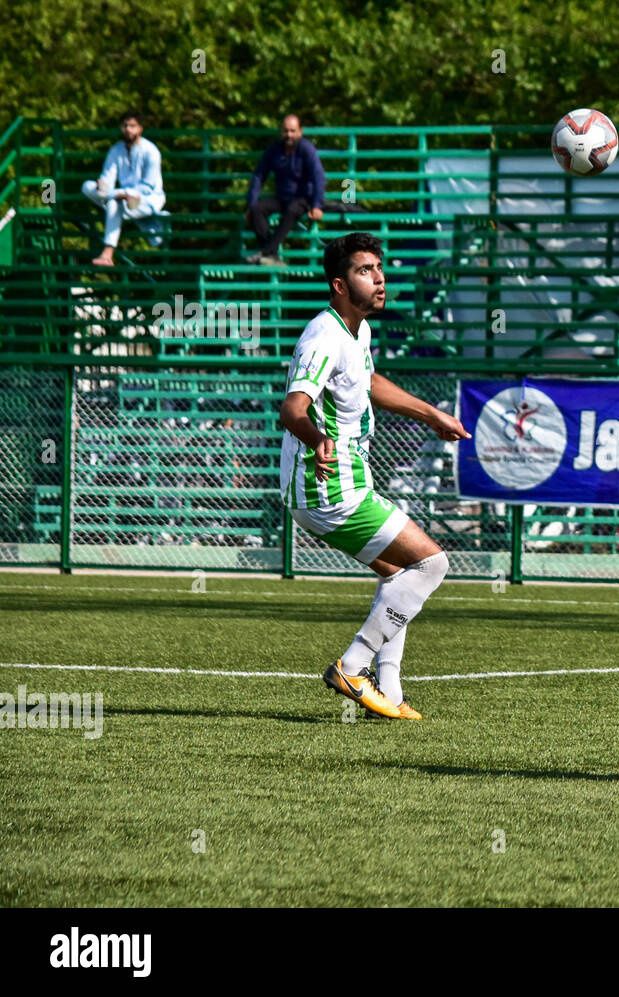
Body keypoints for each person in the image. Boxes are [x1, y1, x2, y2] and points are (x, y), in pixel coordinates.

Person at [279, 232, 471, 719]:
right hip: (327, 485)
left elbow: (366, 381)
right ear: (340, 285)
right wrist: (315, 438)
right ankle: (353, 664)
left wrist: (430, 414)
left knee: (399, 576)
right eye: (366, 271)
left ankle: (386, 691)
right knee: (431, 565)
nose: (380, 278)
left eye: (380, 268)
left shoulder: (356, 330)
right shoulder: (323, 335)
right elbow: (293, 407)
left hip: (340, 482)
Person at [80, 110, 166, 266]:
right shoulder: (116, 150)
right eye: (125, 125)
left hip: (147, 199)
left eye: (132, 126)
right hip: (121, 198)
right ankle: (118, 201)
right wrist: (103, 185)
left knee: (113, 203)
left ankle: (107, 254)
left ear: (140, 128)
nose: (128, 129)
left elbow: (148, 187)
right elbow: (108, 177)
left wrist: (122, 193)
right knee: (87, 186)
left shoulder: (151, 151)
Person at [245, 115, 327, 265]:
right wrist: (250, 204)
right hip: (282, 197)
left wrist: (316, 205)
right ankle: (272, 254)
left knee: (292, 209)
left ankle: (266, 252)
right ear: (281, 131)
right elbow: (259, 175)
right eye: (285, 131)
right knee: (257, 210)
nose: (288, 135)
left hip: (303, 199)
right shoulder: (274, 150)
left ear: (300, 132)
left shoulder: (306, 149)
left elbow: (319, 177)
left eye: (292, 131)